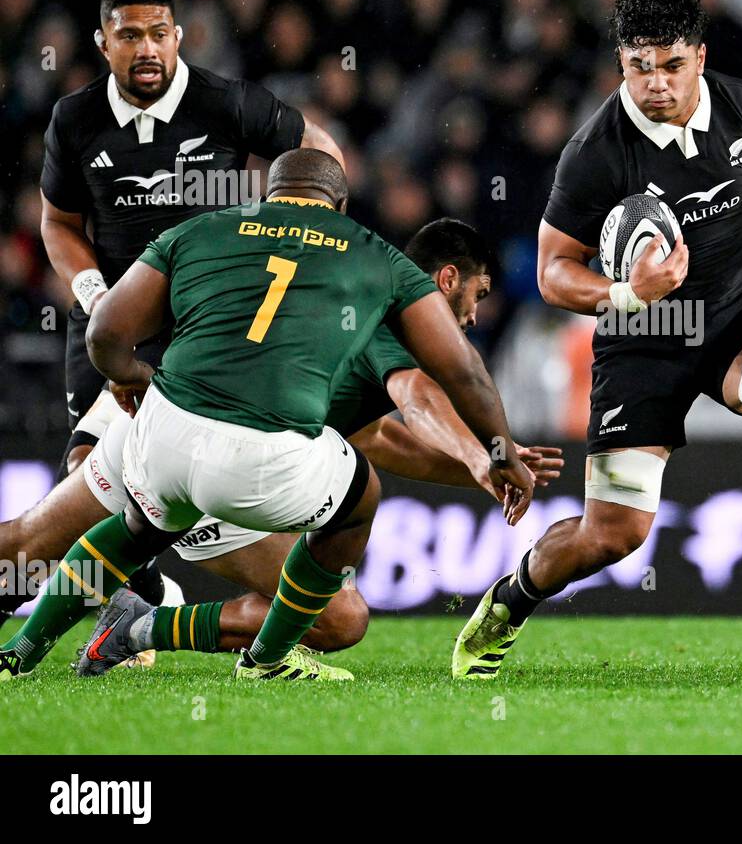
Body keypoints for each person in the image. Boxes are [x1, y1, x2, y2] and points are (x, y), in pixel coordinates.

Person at [1, 150, 532, 682]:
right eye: (479, 295)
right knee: (340, 611)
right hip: (241, 447)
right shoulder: (373, 270)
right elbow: (431, 390)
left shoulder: (205, 228)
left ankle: (21, 651)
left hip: (152, 409)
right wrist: (489, 451)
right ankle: (225, 649)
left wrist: (126, 374)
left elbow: (106, 329)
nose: (477, 313)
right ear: (340, 207)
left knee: (44, 541)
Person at [453, 0, 742, 678]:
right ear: (620, 64)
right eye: (639, 67)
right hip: (640, 340)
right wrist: (629, 291)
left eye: (670, 65)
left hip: (734, 317)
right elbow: (552, 272)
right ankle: (511, 600)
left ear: (698, 55)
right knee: (613, 536)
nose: (655, 83)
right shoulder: (596, 149)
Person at [40, 0, 344, 480]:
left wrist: (298, 244)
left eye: (159, 35)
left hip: (205, 320)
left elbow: (321, 152)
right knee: (85, 471)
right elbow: (57, 224)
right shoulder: (74, 119)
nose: (147, 50)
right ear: (103, 43)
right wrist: (99, 298)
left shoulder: (225, 102)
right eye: (129, 36)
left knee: (198, 479)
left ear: (177, 37)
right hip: (113, 321)